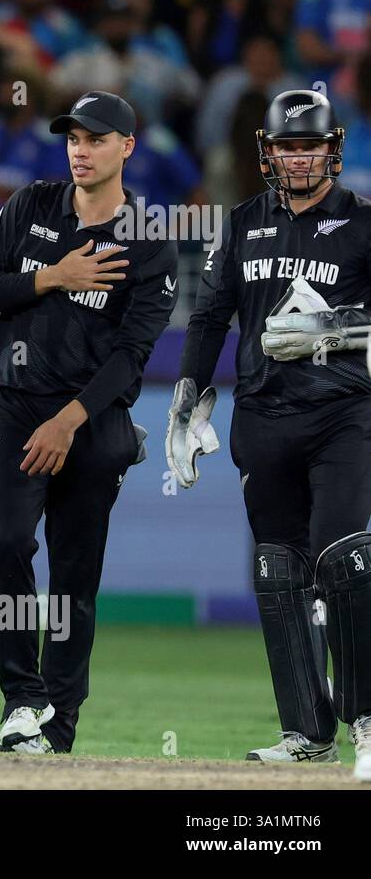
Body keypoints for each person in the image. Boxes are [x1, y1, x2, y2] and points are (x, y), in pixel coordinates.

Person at [0, 91, 177, 754]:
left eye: (95, 139)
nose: (80, 151)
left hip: (91, 419)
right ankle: (21, 701)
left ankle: (59, 730)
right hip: (16, 404)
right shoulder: (31, 205)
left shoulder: (148, 242)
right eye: (73, 139)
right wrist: (52, 276)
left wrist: (70, 422)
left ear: (126, 149)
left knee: (75, 583)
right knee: (6, 541)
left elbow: (132, 356)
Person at [169, 88, 371, 781]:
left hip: (345, 413)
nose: (297, 158)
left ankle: (367, 720)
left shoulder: (364, 222)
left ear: (332, 150)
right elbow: (208, 317)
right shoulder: (241, 223)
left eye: (308, 146)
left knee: (345, 558)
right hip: (263, 414)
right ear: (269, 152)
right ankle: (307, 732)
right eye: (286, 147)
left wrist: (333, 329)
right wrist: (190, 396)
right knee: (278, 573)